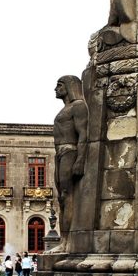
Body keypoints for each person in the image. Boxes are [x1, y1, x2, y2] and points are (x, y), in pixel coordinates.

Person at [53, 75, 88, 242]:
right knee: (61, 199)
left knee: (68, 195)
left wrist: (80, 159)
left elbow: (83, 133)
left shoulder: (79, 106)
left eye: (59, 85)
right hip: (59, 154)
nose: (56, 89)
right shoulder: (64, 109)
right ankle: (64, 239)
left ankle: (68, 241)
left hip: (70, 151)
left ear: (69, 87)